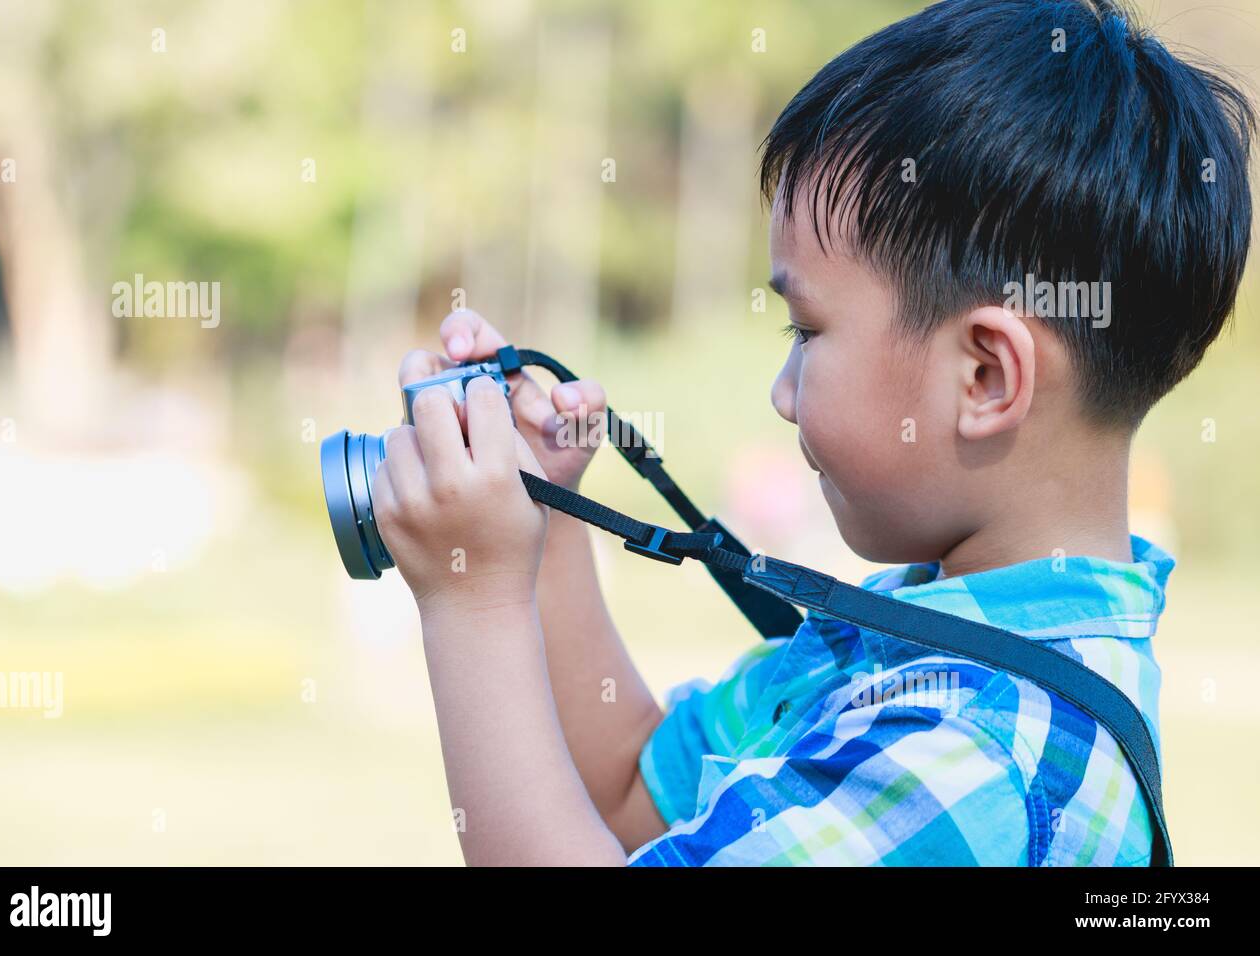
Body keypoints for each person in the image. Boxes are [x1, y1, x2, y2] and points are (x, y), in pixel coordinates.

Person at [369, 0, 1252, 865]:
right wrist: (552, 512)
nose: (783, 393)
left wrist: (471, 600)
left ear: (985, 377)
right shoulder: (907, 644)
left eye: (806, 333)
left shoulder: (975, 760)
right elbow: (628, 800)